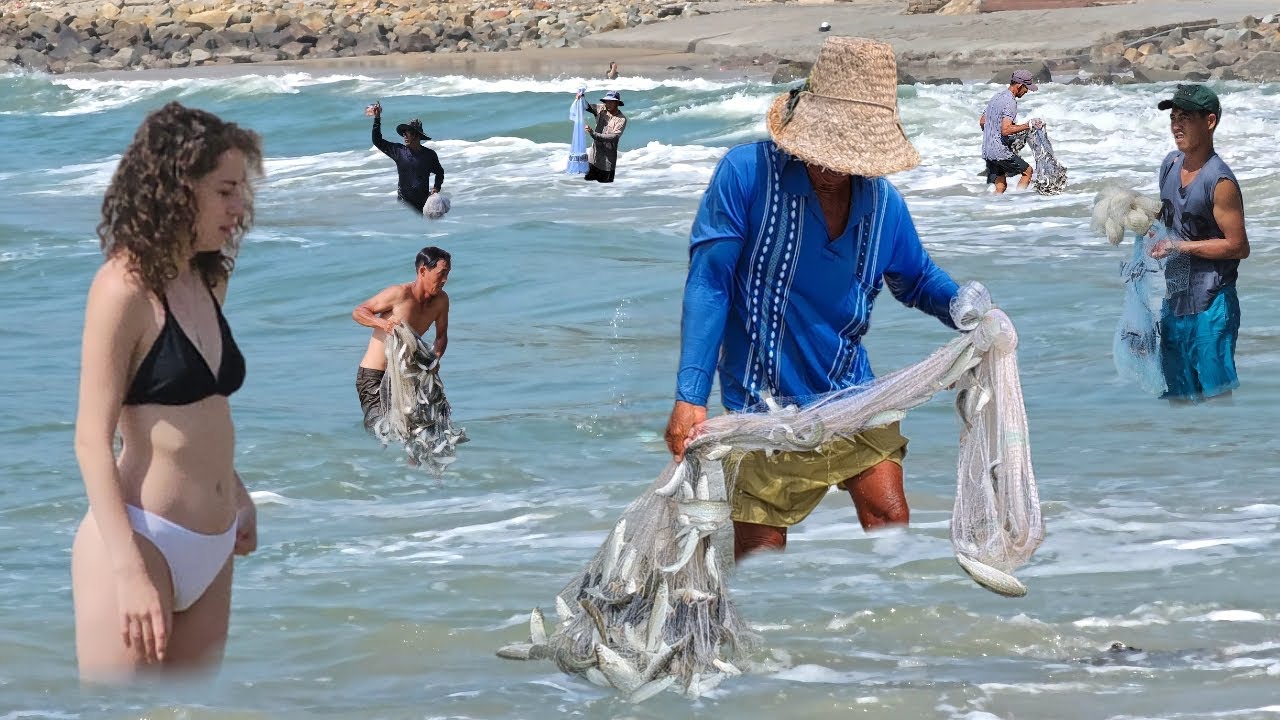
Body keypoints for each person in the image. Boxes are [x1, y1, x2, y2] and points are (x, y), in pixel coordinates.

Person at [663, 37, 964, 561]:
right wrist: (691, 394)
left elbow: (916, 280)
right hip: (762, 408)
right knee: (760, 555)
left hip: (855, 398)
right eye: (820, 148)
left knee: (890, 522)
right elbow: (710, 282)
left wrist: (968, 308)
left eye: (844, 156)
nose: (827, 166)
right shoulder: (746, 175)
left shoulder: (882, 204)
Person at [73, 102, 261, 681]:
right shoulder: (123, 288)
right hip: (139, 539)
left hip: (215, 540)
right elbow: (89, 440)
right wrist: (127, 568)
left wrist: (236, 488)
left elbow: (205, 409)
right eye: (226, 191)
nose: (240, 208)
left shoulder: (209, 277)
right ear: (180, 188)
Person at [1149, 84, 1248, 403]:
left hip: (1212, 302)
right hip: (1175, 299)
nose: (1177, 125)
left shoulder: (1220, 182)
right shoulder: (1170, 163)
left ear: (1210, 121)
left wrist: (1179, 247)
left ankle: (1225, 452)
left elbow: (1238, 247)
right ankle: (1183, 453)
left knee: (1217, 396)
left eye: (1186, 117)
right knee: (1178, 397)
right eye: (1174, 117)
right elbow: (1170, 220)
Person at [352, 246, 452, 430]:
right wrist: (382, 323)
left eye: (448, 274)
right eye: (441, 273)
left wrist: (435, 359)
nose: (445, 279)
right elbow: (359, 312)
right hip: (374, 376)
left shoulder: (441, 301)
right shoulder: (399, 294)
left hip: (406, 377)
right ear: (423, 270)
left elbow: (442, 336)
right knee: (382, 429)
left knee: (421, 430)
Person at [369, 101, 445, 214]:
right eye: (403, 133)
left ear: (416, 135)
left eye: (407, 133)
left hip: (422, 205)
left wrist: (436, 188)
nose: (404, 136)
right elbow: (377, 141)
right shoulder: (398, 151)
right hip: (403, 205)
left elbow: (440, 172)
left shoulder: (429, 155)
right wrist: (377, 118)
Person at [979, 69, 1042, 194]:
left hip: (987, 150)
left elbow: (982, 121)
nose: (1027, 91)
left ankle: (993, 208)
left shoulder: (996, 97)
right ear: (1019, 85)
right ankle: (1017, 202)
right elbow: (1006, 130)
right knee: (1027, 171)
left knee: (1000, 186)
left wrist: (992, 136)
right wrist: (1028, 125)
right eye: (1026, 88)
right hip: (999, 152)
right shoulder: (1010, 102)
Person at [579, 90, 627, 183]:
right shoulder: (600, 109)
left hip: (607, 163)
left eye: (611, 102)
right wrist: (581, 97)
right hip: (593, 159)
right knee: (588, 188)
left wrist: (594, 134)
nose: (607, 104)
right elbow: (586, 106)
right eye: (606, 101)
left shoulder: (621, 119)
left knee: (605, 191)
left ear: (617, 103)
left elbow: (614, 137)